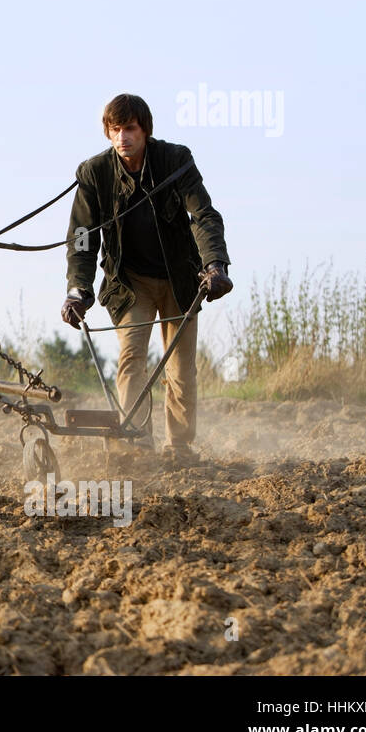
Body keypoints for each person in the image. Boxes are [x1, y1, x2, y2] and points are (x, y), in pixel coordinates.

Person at [60, 94, 233, 467]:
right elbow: (82, 239)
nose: (123, 137)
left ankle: (180, 447)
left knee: (181, 367)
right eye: (115, 129)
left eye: (130, 128)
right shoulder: (93, 174)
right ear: (107, 133)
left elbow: (203, 215)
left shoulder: (176, 160)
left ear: (145, 130)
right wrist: (78, 291)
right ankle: (134, 444)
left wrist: (216, 264)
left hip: (180, 278)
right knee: (131, 357)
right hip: (129, 283)